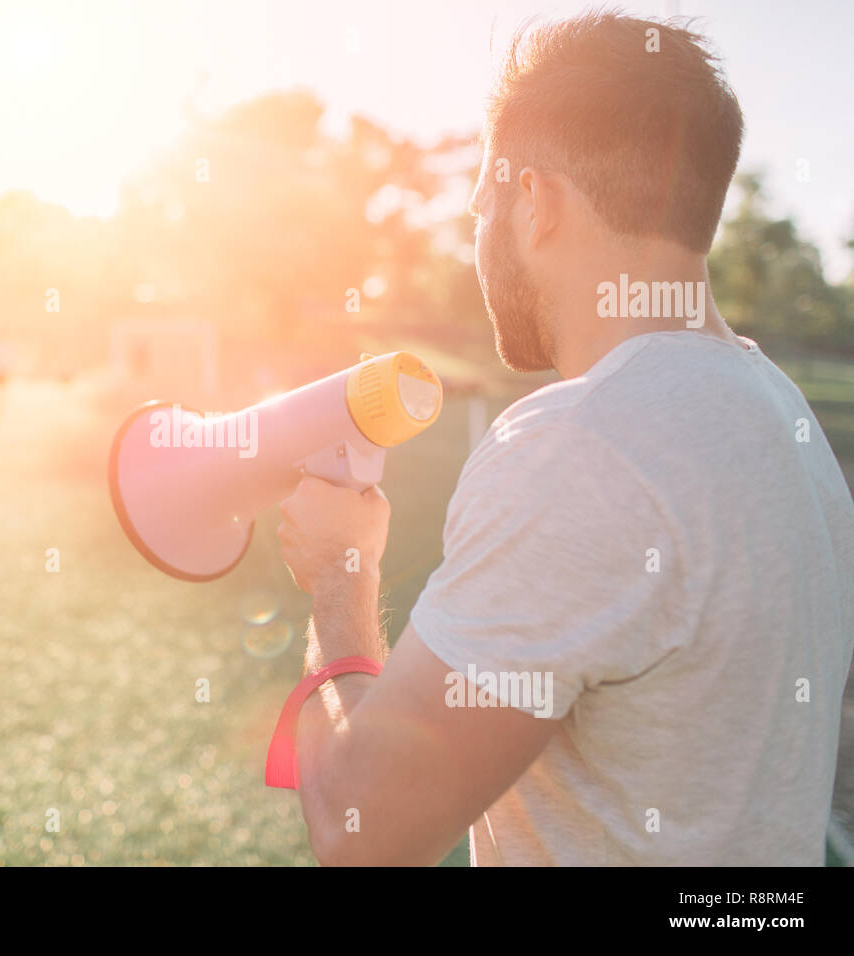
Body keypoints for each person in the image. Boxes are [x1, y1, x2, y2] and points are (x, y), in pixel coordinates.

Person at [276, 12, 854, 865]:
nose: (478, 240)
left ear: (534, 201)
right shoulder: (786, 420)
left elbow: (362, 831)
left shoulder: (582, 444)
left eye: (482, 205)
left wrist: (338, 575)